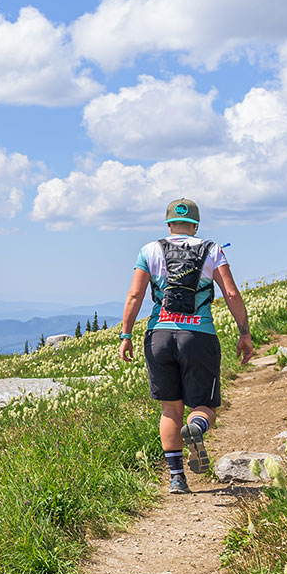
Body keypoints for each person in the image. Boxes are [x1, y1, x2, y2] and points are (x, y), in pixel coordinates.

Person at [119, 197, 254, 494]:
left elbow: (134, 295)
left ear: (169, 224)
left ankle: (177, 478)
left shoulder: (149, 250)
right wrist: (244, 332)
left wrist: (126, 335)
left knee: (170, 410)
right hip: (198, 337)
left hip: (159, 337)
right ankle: (197, 427)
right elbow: (231, 293)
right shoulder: (212, 249)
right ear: (196, 225)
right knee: (204, 406)